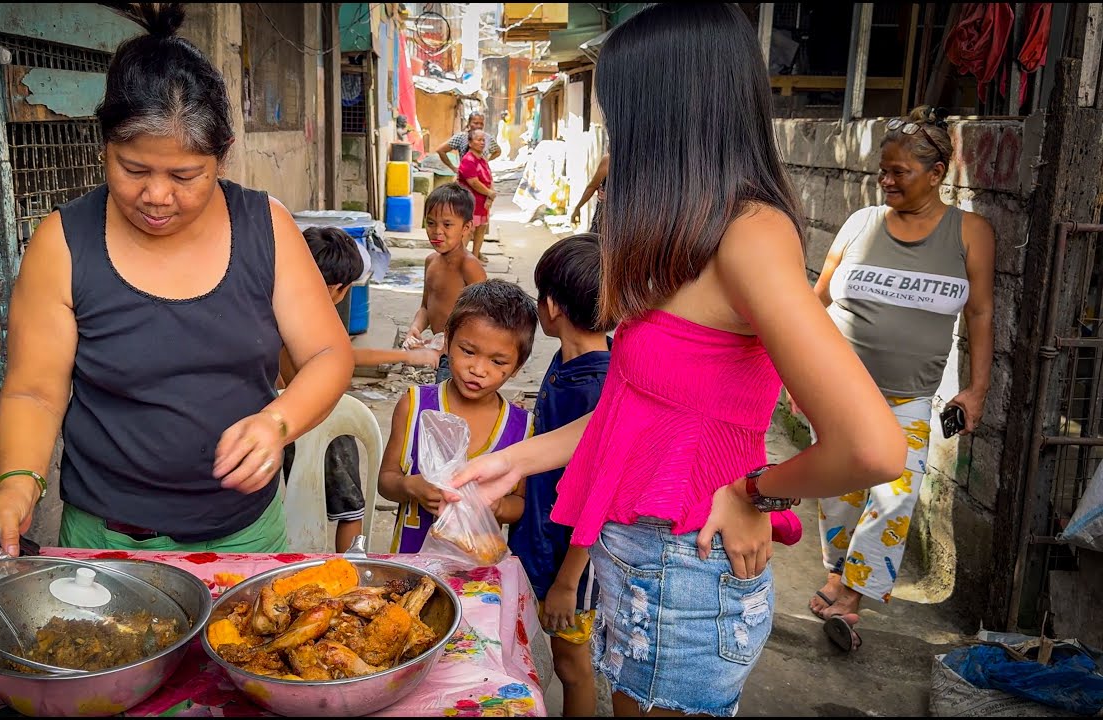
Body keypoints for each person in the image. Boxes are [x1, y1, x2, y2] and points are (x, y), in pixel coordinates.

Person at [446, 4, 907, 717]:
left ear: (669, 116)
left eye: (621, 114)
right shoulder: (680, 236)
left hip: (689, 576)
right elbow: (638, 411)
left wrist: (756, 491)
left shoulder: (751, 236)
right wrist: (522, 458)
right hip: (635, 563)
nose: (614, 134)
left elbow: (872, 446)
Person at [0, 4, 354, 560]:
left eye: (185, 176)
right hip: (105, 543)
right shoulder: (63, 243)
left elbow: (330, 354)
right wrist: (18, 485)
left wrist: (277, 422)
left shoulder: (268, 227)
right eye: (134, 170)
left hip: (244, 534)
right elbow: (34, 390)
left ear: (222, 158)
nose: (157, 196)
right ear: (104, 148)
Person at [807, 105, 994, 651]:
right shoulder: (862, 222)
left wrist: (976, 388)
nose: (885, 181)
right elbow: (816, 299)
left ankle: (851, 596)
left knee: (893, 495)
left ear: (937, 174)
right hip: (839, 387)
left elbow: (980, 314)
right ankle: (839, 574)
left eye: (899, 172)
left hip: (909, 395)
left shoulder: (970, 233)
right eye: (881, 172)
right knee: (839, 493)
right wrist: (797, 377)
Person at [279, 227, 441, 552]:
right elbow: (347, 356)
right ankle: (350, 568)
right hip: (324, 419)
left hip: (284, 418)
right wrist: (413, 356)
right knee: (352, 508)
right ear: (339, 289)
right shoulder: (315, 314)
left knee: (296, 499)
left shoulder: (278, 305)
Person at [508, 233, 613, 718]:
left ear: (551, 306)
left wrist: (568, 582)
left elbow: (599, 498)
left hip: (575, 562)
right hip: (541, 537)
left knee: (573, 666)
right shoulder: (569, 359)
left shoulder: (597, 390)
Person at [380, 280, 536, 553]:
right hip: (411, 565)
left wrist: (496, 505)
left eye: (497, 362)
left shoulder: (521, 429)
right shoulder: (414, 406)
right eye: (468, 351)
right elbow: (386, 481)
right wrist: (410, 486)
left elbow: (521, 505)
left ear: (517, 366)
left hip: (477, 577)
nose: (478, 369)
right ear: (448, 339)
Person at [404, 184, 487, 381]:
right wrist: (415, 328)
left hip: (464, 354)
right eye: (431, 223)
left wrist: (453, 343)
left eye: (447, 225)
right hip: (441, 350)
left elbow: (485, 316)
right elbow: (426, 306)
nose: (437, 231)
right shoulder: (431, 262)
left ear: (466, 228)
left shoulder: (469, 266)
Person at [457, 129, 498, 262]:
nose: (482, 143)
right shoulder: (468, 160)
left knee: (481, 230)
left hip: (483, 202)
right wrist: (489, 192)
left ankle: (474, 257)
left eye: (483, 140)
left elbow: (489, 177)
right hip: (470, 202)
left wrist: (490, 195)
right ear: (470, 142)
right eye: (478, 140)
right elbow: (473, 182)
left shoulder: (482, 159)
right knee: (468, 231)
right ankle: (459, 259)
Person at [435, 111, 501, 173]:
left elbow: (498, 151)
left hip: (482, 174)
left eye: (481, 124)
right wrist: (453, 168)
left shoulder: (487, 138)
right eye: (475, 123)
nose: (479, 126)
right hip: (465, 175)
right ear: (469, 123)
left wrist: (486, 160)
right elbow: (440, 150)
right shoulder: (461, 137)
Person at [570, 153, 610, 234]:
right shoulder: (609, 160)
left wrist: (577, 208)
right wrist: (578, 208)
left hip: (609, 220)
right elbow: (592, 187)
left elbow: (592, 186)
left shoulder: (609, 160)